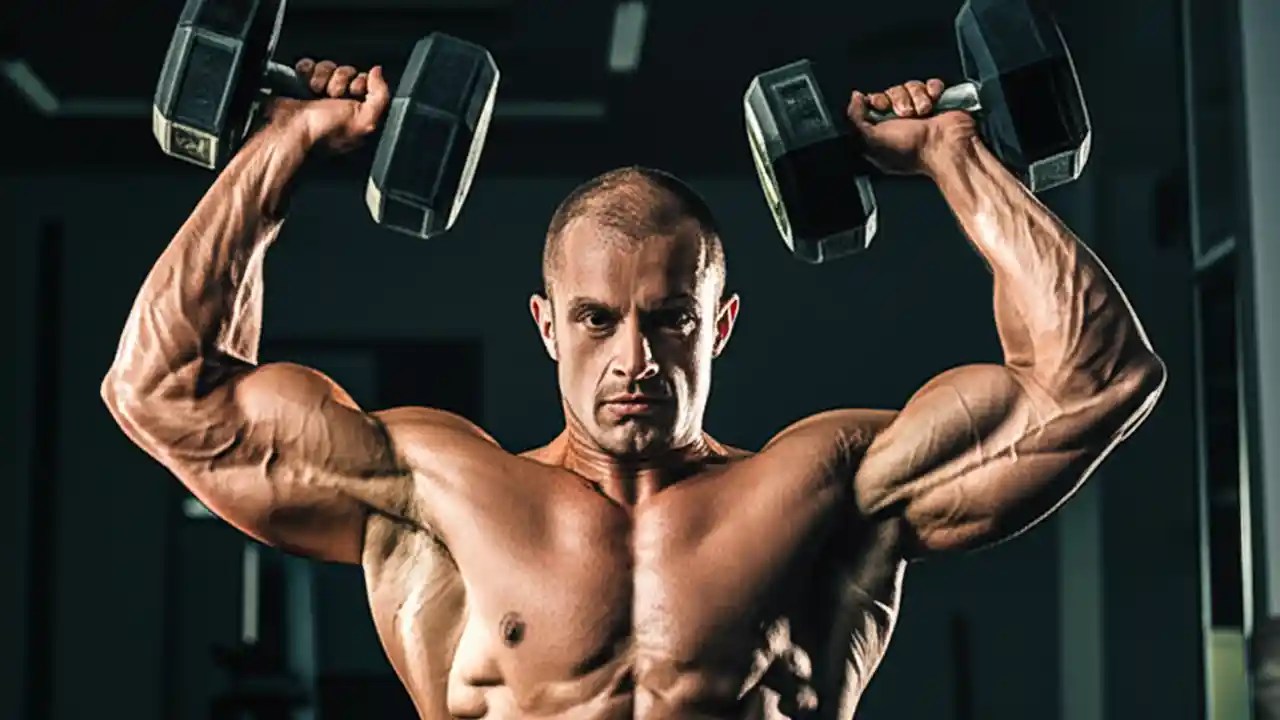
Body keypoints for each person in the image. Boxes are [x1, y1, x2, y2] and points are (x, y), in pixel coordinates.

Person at [101, 58, 1166, 719]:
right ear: (544, 326)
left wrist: (954, 155)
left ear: (721, 325)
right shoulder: (436, 491)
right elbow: (164, 391)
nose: (634, 360)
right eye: (596, 321)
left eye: (670, 320)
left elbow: (1093, 381)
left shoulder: (823, 493)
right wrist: (280, 145)